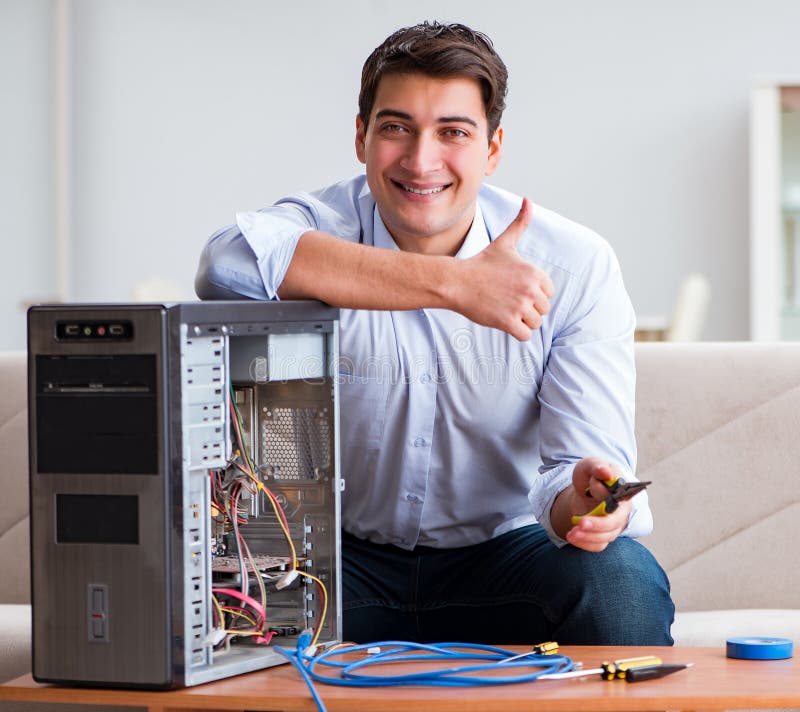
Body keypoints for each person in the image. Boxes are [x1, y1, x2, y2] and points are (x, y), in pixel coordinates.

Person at [196, 21, 674, 645]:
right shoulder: (319, 226)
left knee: (622, 582)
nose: (421, 161)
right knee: (207, 599)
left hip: (504, 561)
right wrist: (454, 283)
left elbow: (567, 481)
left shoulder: (573, 265)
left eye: (453, 132)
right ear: (362, 136)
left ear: (492, 148)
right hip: (335, 567)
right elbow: (223, 268)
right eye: (396, 128)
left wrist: (586, 507)